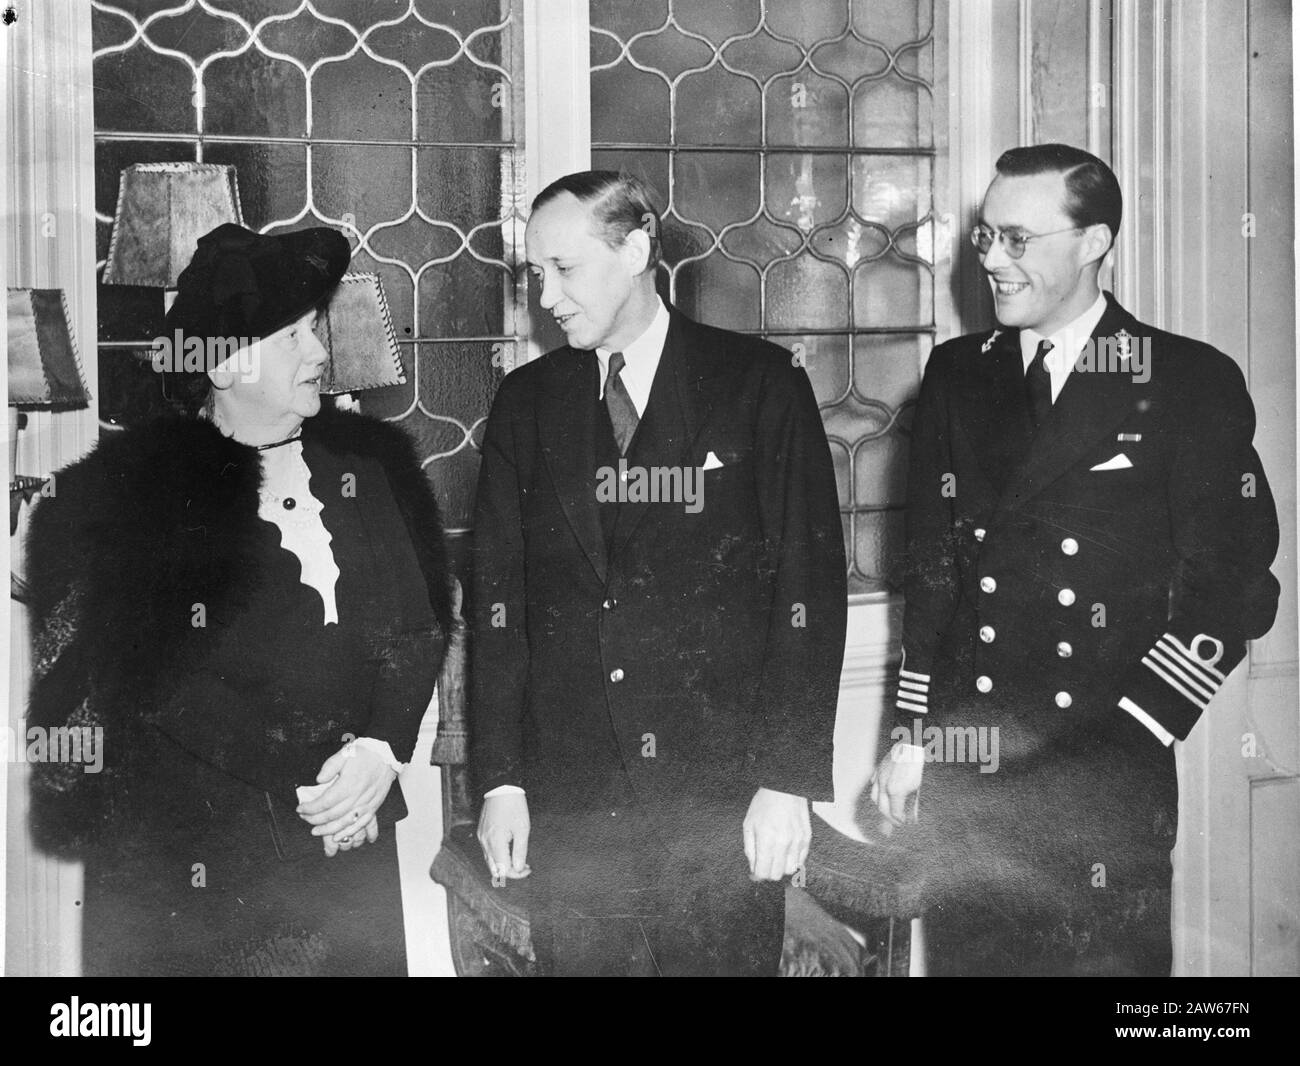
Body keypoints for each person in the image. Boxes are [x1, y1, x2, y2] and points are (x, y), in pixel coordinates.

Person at [870, 144, 1280, 976]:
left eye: (1018, 240)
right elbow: (933, 574)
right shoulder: (956, 374)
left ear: (1094, 243)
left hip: (1103, 776)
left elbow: (1235, 583)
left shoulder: (1185, 379)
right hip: (970, 770)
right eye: (986, 238)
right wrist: (911, 736)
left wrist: (1138, 729)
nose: (991, 260)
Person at [25, 223, 454, 976]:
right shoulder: (131, 498)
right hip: (203, 867)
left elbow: (415, 627)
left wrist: (382, 752)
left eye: (315, 329)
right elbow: (148, 682)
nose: (320, 353)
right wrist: (324, 787)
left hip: (349, 854)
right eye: (294, 335)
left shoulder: (370, 467)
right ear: (224, 365)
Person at [469, 170, 847, 976]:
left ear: (637, 249)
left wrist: (788, 778)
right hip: (573, 806)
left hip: (718, 800)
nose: (546, 297)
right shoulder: (525, 403)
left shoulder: (759, 385)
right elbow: (500, 605)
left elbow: (808, 592)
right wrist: (501, 781)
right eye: (536, 273)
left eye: (564, 269)